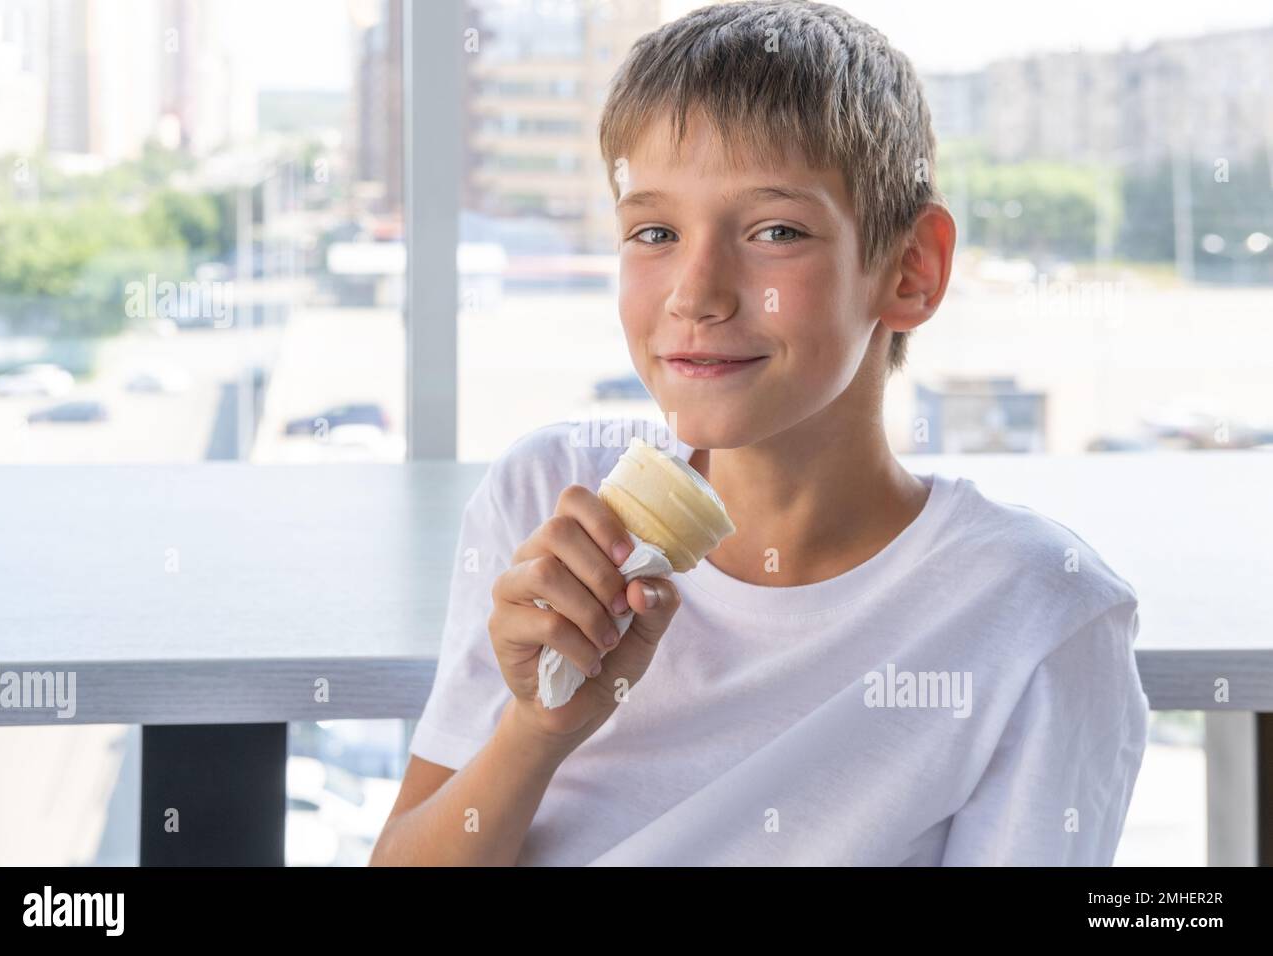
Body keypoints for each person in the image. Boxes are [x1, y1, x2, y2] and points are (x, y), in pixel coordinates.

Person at [371, 0, 1149, 866]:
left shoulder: (1032, 617)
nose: (696, 293)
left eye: (775, 231)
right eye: (654, 232)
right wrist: (538, 728)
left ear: (911, 268)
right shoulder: (549, 497)